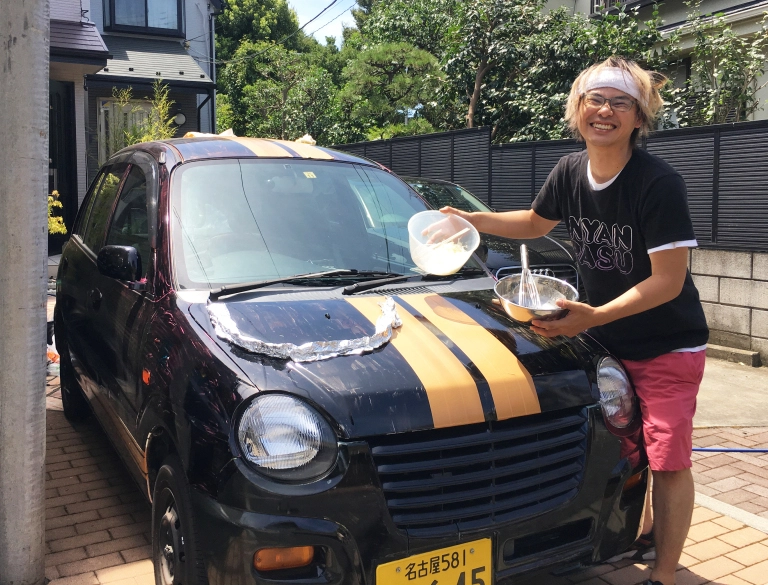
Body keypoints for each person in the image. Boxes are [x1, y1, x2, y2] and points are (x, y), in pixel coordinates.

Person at [439, 56, 708, 585]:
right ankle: (648, 529)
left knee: (669, 459)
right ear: (577, 109)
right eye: (595, 100)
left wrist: (594, 316)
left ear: (639, 117)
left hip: (667, 344)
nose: (605, 111)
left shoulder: (658, 183)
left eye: (620, 103)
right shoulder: (569, 170)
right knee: (631, 445)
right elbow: (534, 222)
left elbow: (669, 281)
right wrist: (470, 220)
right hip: (606, 336)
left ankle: (664, 573)